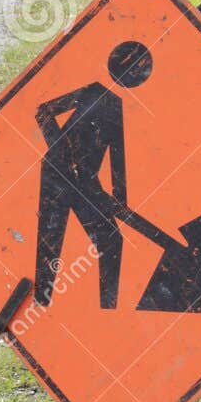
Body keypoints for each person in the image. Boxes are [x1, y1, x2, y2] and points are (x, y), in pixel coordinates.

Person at [32, 41, 154, 308]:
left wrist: (120, 201)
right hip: (56, 172)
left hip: (87, 182)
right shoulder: (92, 92)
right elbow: (43, 111)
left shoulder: (119, 108)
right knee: (51, 241)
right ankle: (40, 307)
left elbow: (117, 159)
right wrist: (62, 150)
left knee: (112, 242)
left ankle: (108, 311)